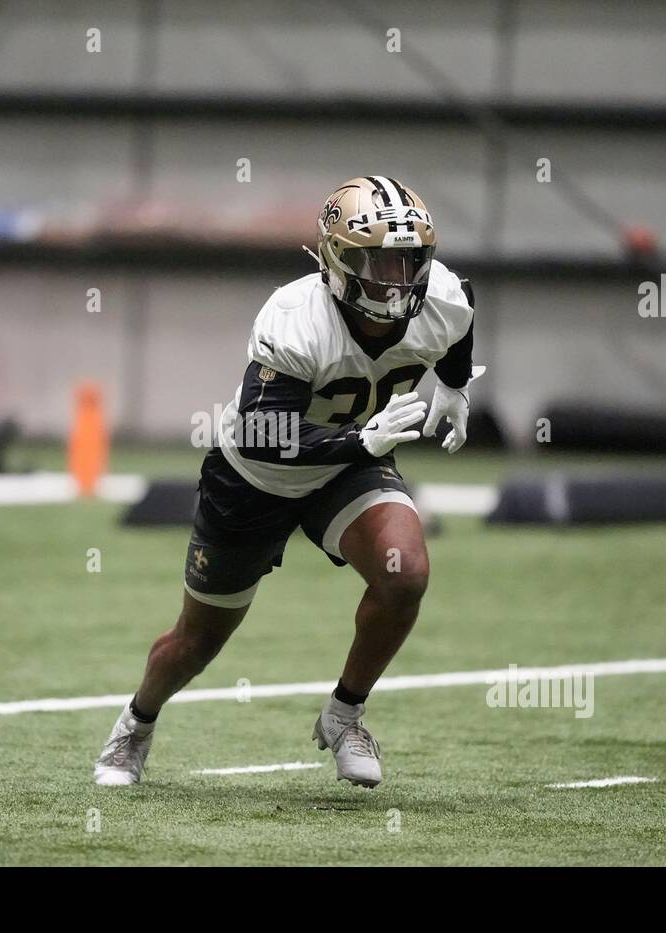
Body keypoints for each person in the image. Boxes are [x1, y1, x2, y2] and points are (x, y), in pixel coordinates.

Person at [95, 176, 478, 788]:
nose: (395, 279)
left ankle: (345, 715)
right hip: (254, 477)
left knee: (405, 573)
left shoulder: (444, 299)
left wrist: (456, 387)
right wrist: (362, 440)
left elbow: (461, 321)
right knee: (197, 641)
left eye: (407, 261)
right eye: (378, 261)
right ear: (337, 259)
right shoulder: (297, 318)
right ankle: (135, 725)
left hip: (346, 467)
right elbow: (263, 433)